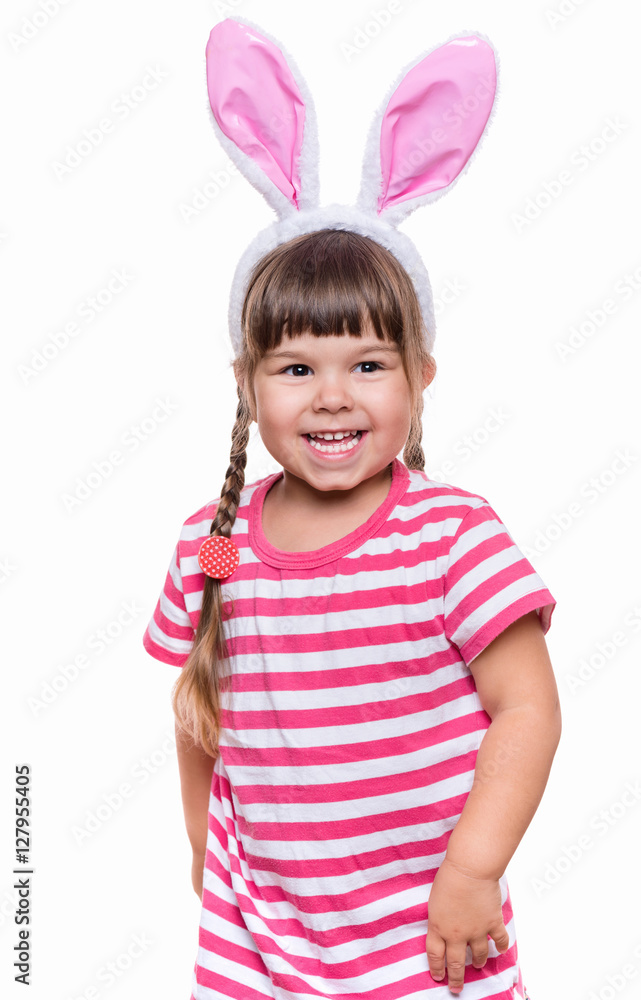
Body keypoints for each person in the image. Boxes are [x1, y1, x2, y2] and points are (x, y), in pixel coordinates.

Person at [142, 19, 561, 1000]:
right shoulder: (214, 545)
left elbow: (527, 708)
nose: (331, 395)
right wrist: (207, 854)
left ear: (418, 376)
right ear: (247, 386)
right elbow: (198, 706)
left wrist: (472, 869)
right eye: (295, 368)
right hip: (263, 944)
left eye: (365, 364)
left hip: (427, 938)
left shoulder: (450, 536)